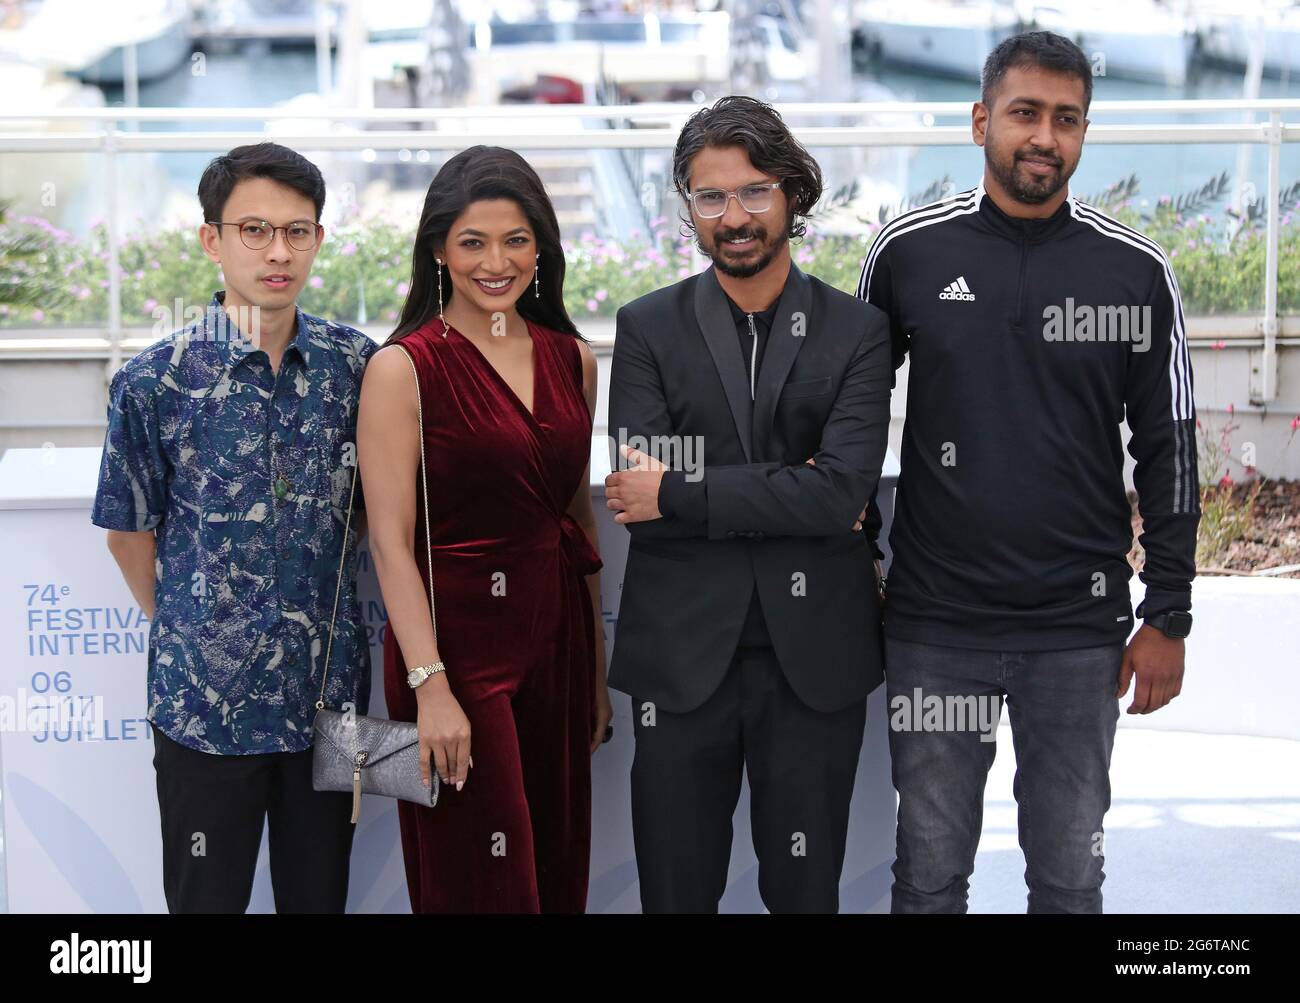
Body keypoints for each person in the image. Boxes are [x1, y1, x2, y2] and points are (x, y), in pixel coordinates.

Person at [856, 31, 1200, 913]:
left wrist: (1167, 613)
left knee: (1070, 877)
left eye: (1067, 118)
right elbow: (849, 423)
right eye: (1024, 114)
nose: (1045, 136)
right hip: (936, 626)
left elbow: (1169, 449)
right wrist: (859, 565)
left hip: (1079, 632)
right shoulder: (907, 255)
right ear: (980, 122)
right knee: (929, 878)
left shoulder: (1135, 274)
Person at [605, 95, 892, 913]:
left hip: (813, 660)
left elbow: (841, 491)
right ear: (689, 206)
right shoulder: (647, 327)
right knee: (675, 889)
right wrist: (781, 487)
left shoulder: (859, 331)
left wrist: (683, 491)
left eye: (755, 191)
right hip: (681, 656)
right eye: (710, 196)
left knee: (804, 891)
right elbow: (636, 492)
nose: (734, 216)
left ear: (793, 194)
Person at [92, 142, 374, 913]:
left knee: (320, 898)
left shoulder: (360, 368)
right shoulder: (155, 381)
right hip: (200, 705)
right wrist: (198, 630)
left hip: (332, 695)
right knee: (203, 898)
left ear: (318, 238)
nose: (278, 251)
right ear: (212, 239)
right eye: (254, 230)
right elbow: (128, 531)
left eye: (298, 230)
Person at [357, 145, 611, 913]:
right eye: (472, 241)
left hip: (558, 642)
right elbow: (389, 542)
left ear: (542, 247)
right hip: (453, 654)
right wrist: (428, 687)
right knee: (478, 881)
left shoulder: (575, 359)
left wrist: (594, 674)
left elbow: (576, 515)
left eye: (516, 239)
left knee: (556, 871)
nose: (495, 262)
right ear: (439, 248)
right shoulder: (402, 368)